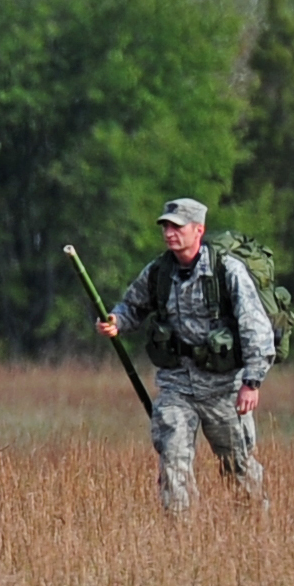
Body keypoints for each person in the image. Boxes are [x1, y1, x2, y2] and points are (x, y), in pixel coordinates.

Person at [97, 198, 274, 515]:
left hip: (224, 389)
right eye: (166, 226)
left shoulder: (227, 272)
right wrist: (115, 322)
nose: (169, 232)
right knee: (173, 463)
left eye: (177, 226)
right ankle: (181, 538)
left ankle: (256, 536)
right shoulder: (157, 273)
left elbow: (255, 327)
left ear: (198, 230)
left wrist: (252, 381)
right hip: (176, 386)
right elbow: (132, 308)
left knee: (239, 469)